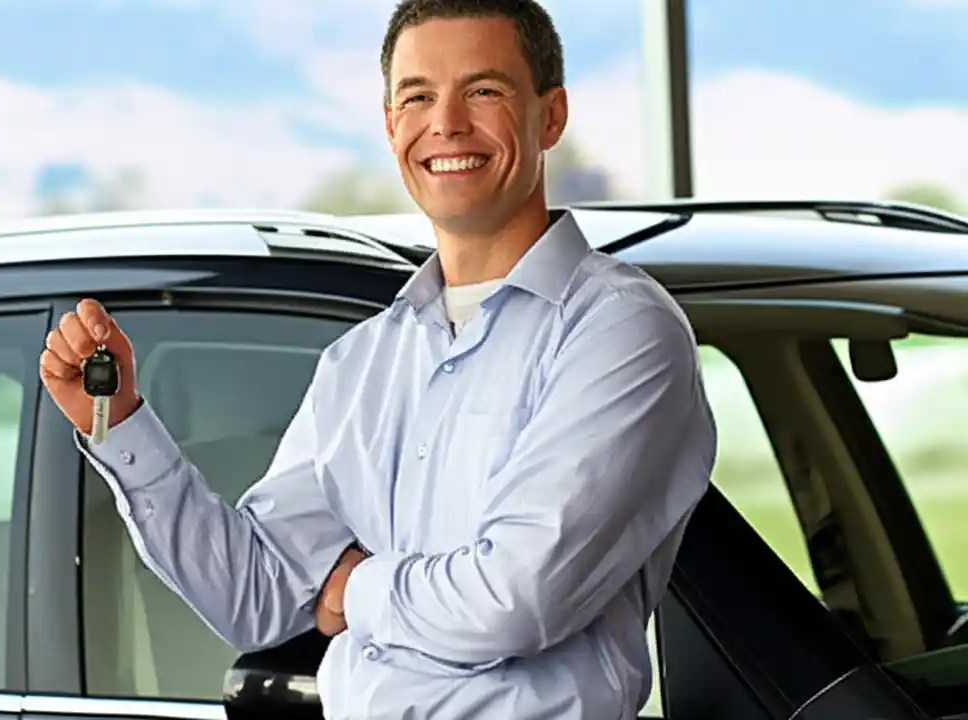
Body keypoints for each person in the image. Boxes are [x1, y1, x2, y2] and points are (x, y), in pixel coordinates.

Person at [39, 0, 717, 717]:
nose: (446, 123)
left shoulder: (619, 331)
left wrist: (353, 590)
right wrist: (119, 424)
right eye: (418, 96)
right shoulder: (361, 362)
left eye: (483, 90)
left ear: (551, 117)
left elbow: (517, 598)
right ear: (392, 125)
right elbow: (258, 596)